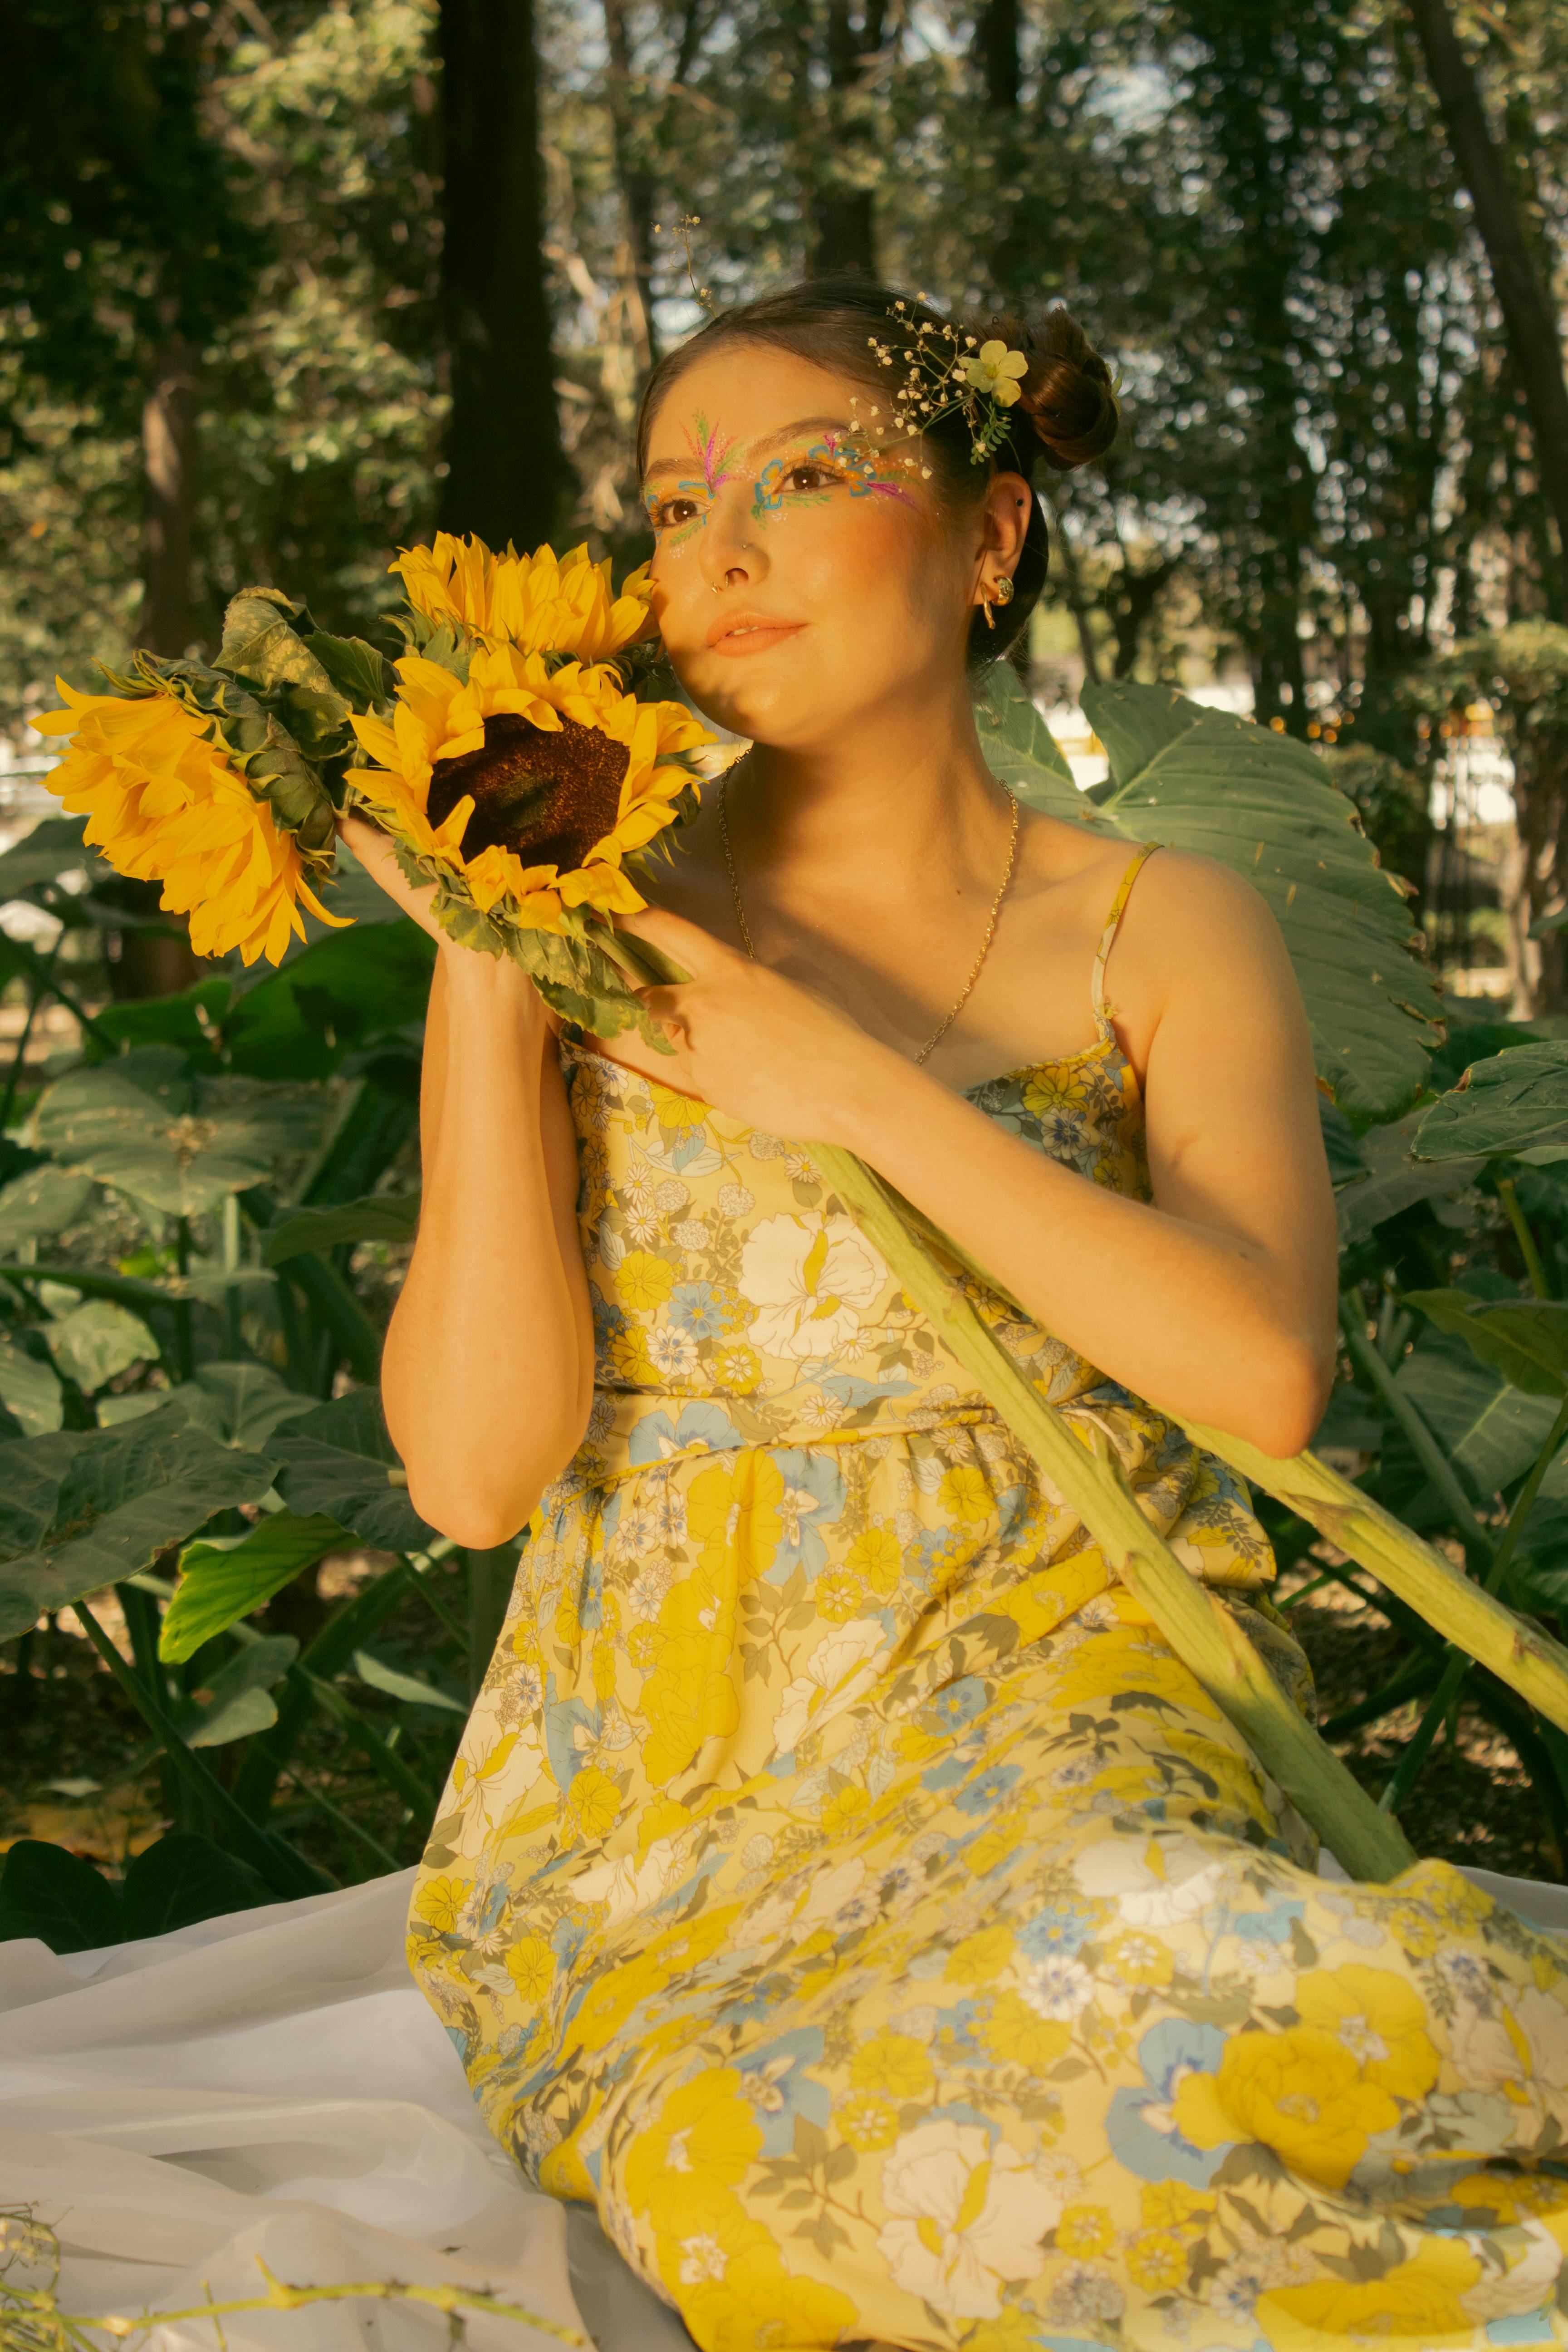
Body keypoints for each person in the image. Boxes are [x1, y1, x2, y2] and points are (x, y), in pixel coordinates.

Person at [343, 280, 1568, 2352]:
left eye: (806, 478)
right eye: (670, 505)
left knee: (1180, 1978)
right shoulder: (582, 938)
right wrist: (494, 946)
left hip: (1058, 1691)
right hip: (670, 1796)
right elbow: (472, 1481)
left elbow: (1263, 1368)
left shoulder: (1164, 923)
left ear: (990, 538)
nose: (716, 549)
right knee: (787, 2172)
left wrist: (836, 1083)